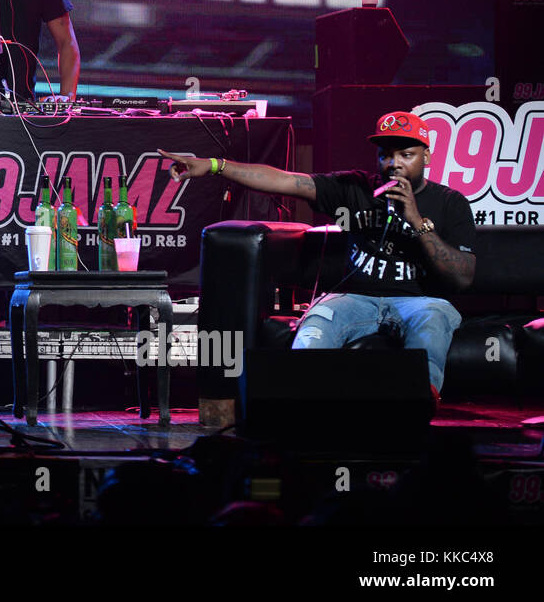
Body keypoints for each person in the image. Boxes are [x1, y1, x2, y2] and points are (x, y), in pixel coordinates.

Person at [160, 110, 476, 402]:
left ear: (426, 157)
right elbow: (282, 179)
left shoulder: (451, 204)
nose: (394, 164)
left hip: (419, 302)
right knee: (317, 322)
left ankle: (419, 403)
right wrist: (215, 165)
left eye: (406, 155)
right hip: (356, 298)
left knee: (434, 320)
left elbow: (461, 277)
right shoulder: (355, 188)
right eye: (386, 155)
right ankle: (303, 404)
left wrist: (417, 222)